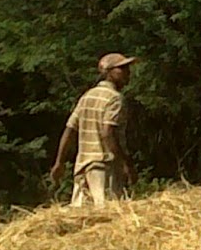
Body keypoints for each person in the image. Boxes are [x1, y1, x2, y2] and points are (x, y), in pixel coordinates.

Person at [50, 52, 137, 206]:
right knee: (108, 214)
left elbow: (70, 130)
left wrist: (59, 162)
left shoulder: (86, 97)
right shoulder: (115, 99)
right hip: (104, 166)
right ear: (108, 73)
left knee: (82, 218)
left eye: (127, 69)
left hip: (83, 166)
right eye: (121, 69)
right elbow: (107, 133)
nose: (127, 73)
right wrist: (125, 163)